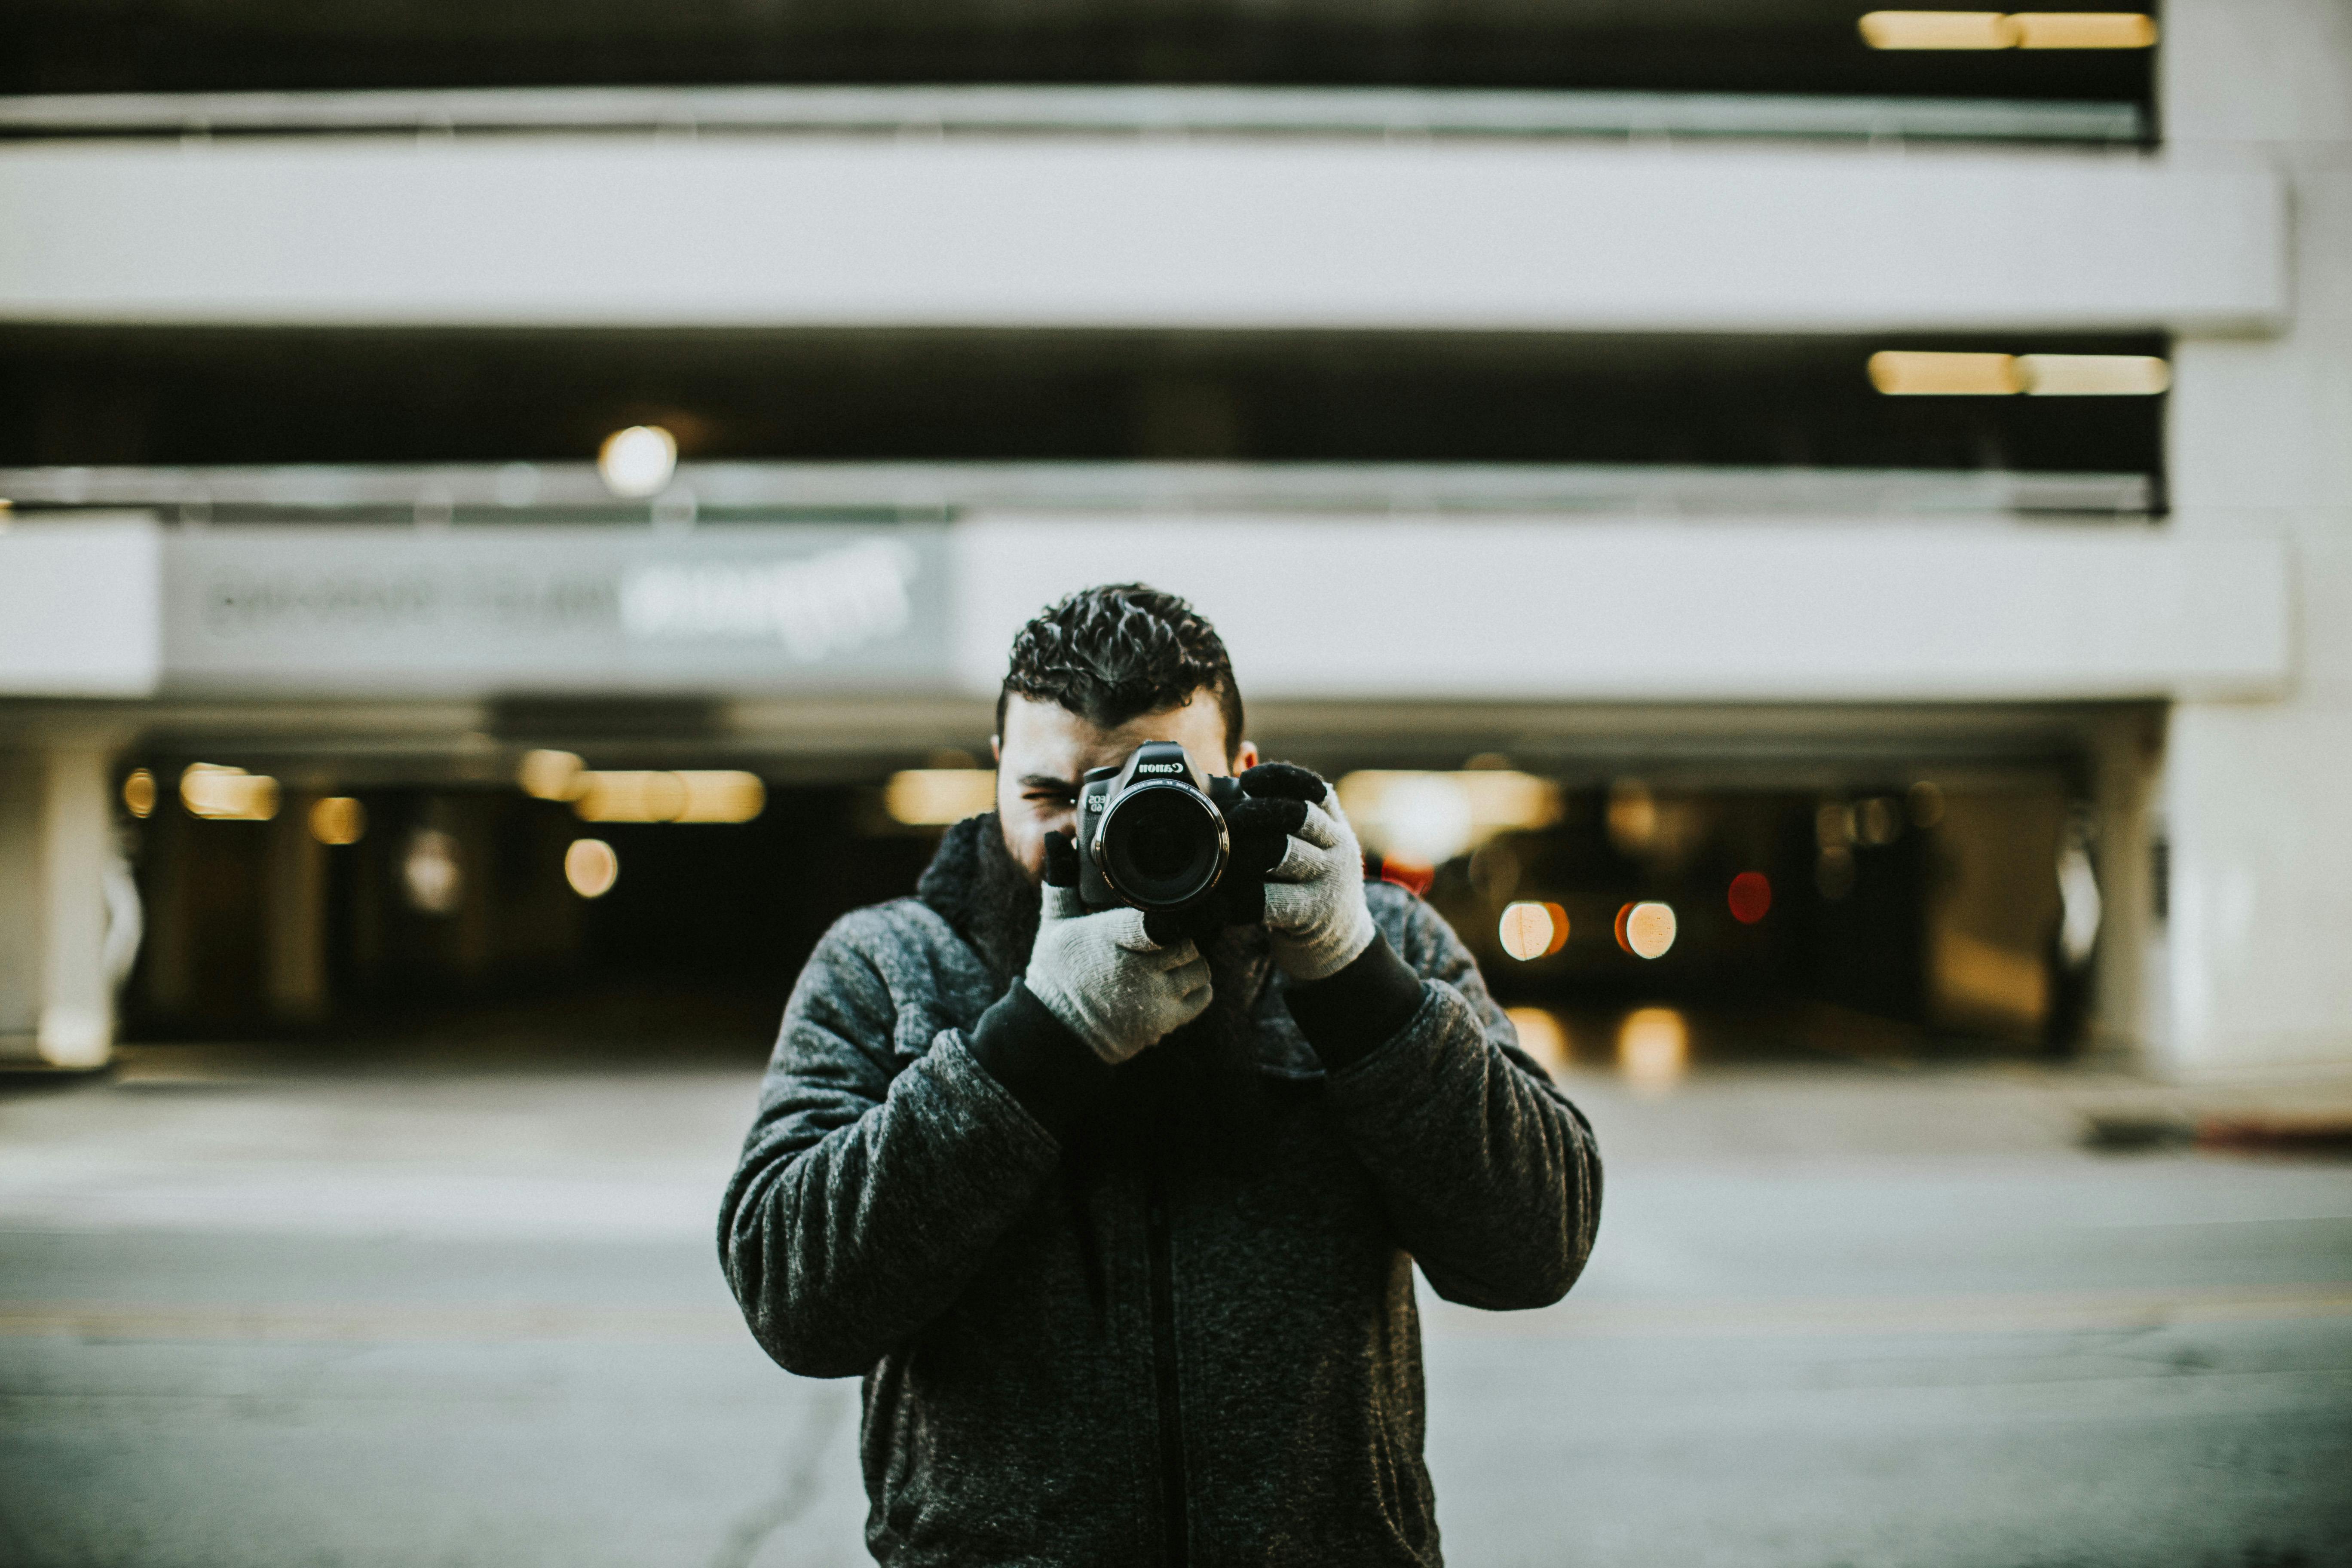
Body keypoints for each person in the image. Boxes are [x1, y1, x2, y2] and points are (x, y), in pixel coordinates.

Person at [720, 583, 1602, 1567]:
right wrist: (1038, 1042)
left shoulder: (1375, 942)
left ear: (1243, 777)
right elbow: (792, 1300)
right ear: (998, 775)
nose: (1099, 838)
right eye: (1055, 799)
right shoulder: (892, 964)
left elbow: (1537, 1248)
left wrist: (1353, 978)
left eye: (1159, 796)